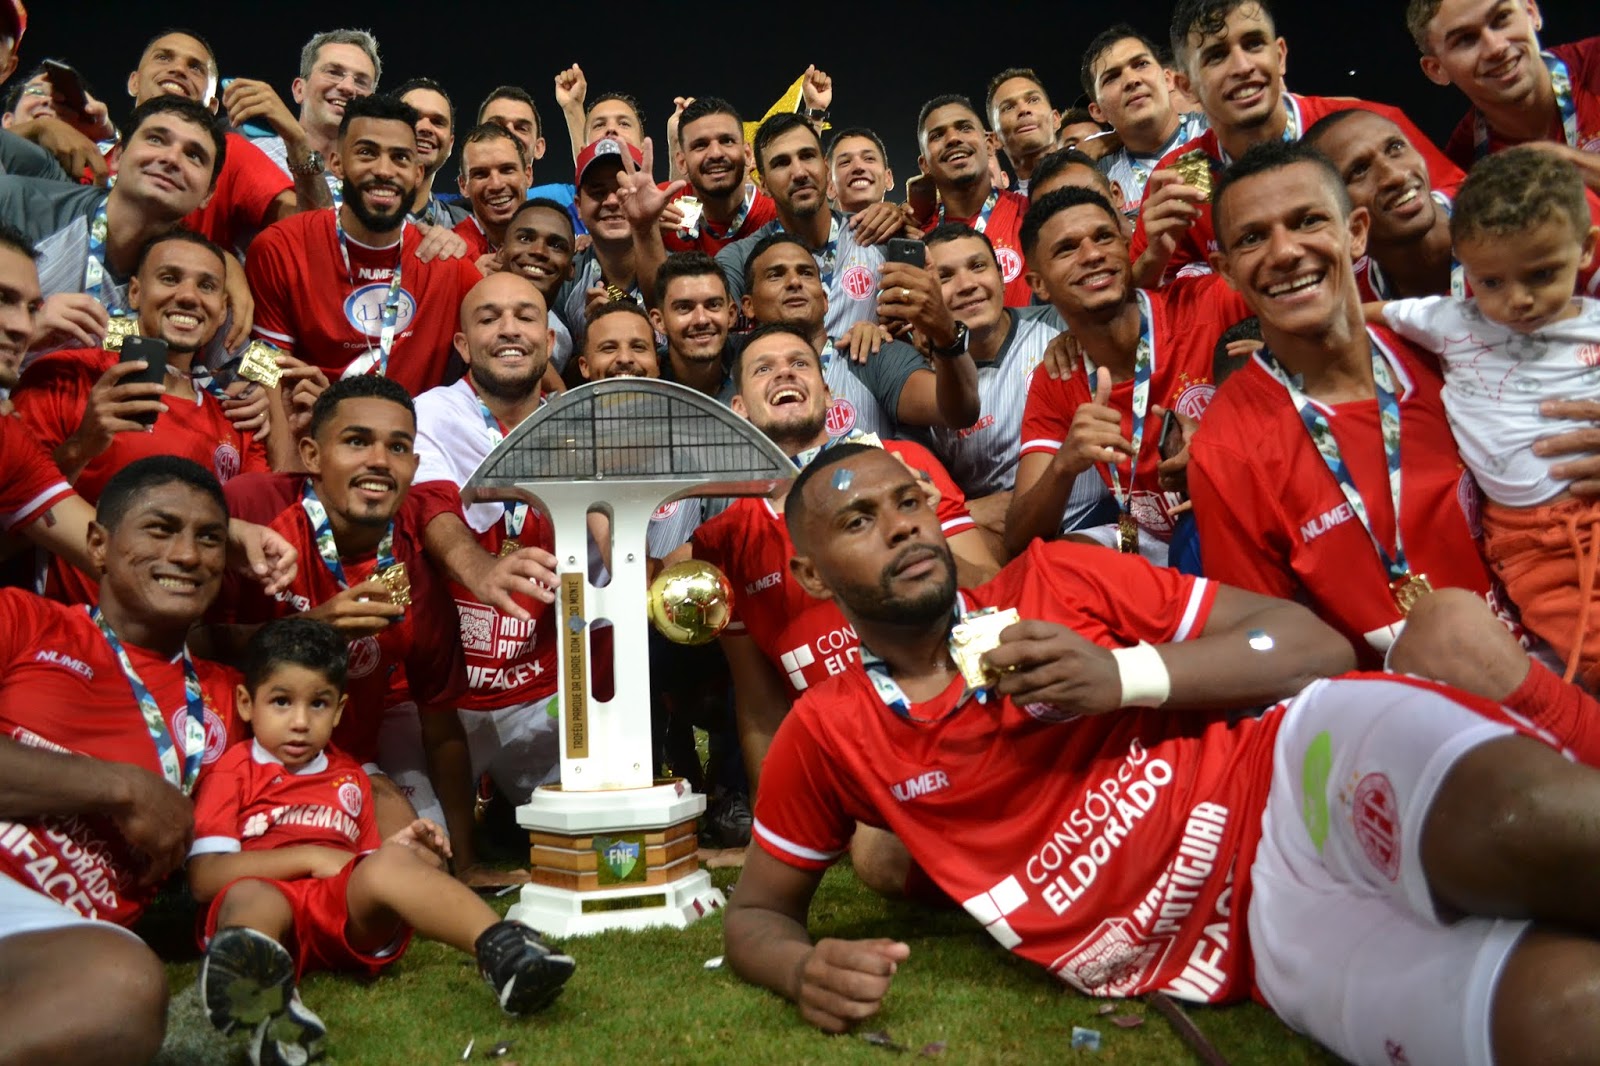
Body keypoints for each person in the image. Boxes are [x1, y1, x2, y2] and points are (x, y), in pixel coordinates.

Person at [723, 440, 1600, 1066]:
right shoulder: (831, 730)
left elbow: (1312, 645)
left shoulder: (1058, 579)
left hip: (1292, 776)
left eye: (910, 502)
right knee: (1566, 1014)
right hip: (1257, 937)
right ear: (811, 576)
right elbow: (756, 914)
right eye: (860, 520)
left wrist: (1123, 676)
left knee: (1536, 824)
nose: (902, 528)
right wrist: (801, 970)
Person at [1188, 140, 1524, 663]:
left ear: (1356, 232)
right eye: (1253, 237)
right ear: (1226, 269)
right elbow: (1272, 654)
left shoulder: (1450, 350)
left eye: (1308, 221)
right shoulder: (1225, 451)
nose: (1285, 252)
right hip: (1407, 707)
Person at [188, 618, 574, 1066]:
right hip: (267, 907)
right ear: (246, 703)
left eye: (318, 703)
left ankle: (506, 951)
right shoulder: (231, 771)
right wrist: (311, 856)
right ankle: (267, 1008)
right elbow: (205, 878)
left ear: (338, 710)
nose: (300, 722)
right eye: (281, 701)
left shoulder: (351, 776)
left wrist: (407, 850)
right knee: (250, 896)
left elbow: (366, 869)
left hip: (338, 913)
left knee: (391, 862)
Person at [0, 457, 248, 1065]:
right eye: (161, 529)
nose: (187, 555)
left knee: (124, 986)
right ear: (98, 545)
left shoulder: (233, 700)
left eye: (209, 538)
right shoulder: (24, 620)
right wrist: (121, 788)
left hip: (55, 937)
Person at [678, 324, 997, 785]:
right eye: (764, 369)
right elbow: (760, 705)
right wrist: (771, 815)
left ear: (828, 394)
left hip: (963, 738)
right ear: (739, 410)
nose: (785, 374)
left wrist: (923, 537)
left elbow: (992, 595)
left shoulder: (903, 465)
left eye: (799, 363)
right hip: (849, 774)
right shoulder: (724, 539)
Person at [212, 375, 473, 862]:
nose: (379, 460)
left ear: (414, 467)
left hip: (341, 764)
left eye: (398, 447)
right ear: (311, 455)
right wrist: (312, 630)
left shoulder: (415, 566)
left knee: (425, 862)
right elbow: (192, 643)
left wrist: (468, 863)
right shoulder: (252, 507)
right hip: (236, 757)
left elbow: (441, 727)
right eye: (356, 441)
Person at [1369, 148, 1600, 686]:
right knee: (1585, 656)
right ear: (1464, 264)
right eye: (1491, 282)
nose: (1518, 300)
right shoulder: (1450, 320)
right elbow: (1365, 312)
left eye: (1541, 274)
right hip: (1523, 540)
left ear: (1587, 249)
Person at [12, 230, 273, 603]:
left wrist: (282, 400)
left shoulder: (239, 416)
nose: (188, 296)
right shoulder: (66, 375)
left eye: (207, 286)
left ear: (222, 309)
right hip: (64, 626)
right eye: (169, 278)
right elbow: (10, 516)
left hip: (181, 631)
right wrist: (81, 447)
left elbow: (254, 546)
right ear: (134, 292)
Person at [1130, 0, 1459, 286]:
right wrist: (1154, 260)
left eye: (1254, 44)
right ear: (1186, 87)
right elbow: (1141, 301)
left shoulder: (1363, 125)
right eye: (1216, 56)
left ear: (1280, 56)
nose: (1243, 67)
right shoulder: (1182, 177)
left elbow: (1462, 198)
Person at [1009, 187, 1250, 565]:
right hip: (1144, 537)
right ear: (1038, 284)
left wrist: (1226, 451)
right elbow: (1019, 538)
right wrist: (1064, 465)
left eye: (1104, 237)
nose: (1092, 254)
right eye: (1067, 248)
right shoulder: (1058, 375)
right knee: (1057, 561)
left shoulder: (1209, 304)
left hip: (1245, 511)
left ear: (1126, 247)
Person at [409, 273, 559, 841]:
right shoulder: (432, 414)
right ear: (464, 345)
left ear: (549, 341)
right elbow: (431, 505)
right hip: (447, 698)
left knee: (596, 839)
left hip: (542, 689)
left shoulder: (574, 423)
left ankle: (505, 806)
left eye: (525, 316)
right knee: (421, 849)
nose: (509, 329)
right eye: (489, 318)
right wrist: (480, 568)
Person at [246, 93, 483, 396]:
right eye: (367, 153)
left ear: (417, 173)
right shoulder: (279, 247)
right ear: (337, 163)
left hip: (412, 427)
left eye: (400, 158)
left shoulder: (449, 265)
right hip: (309, 423)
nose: (384, 170)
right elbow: (265, 370)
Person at [0, 95, 227, 351]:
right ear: (118, 156)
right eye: (156, 139)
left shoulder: (196, 281)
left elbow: (236, 360)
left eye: (194, 155)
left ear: (208, 194)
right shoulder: (15, 205)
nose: (172, 159)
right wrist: (25, 330)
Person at [917, 222, 1076, 555]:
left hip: (1098, 527)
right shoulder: (920, 385)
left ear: (1002, 276)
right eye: (944, 277)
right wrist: (969, 511)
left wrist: (1080, 334)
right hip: (1009, 552)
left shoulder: (1060, 326)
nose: (967, 285)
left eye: (978, 266)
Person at [740, 232, 979, 440]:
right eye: (775, 275)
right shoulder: (734, 373)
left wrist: (944, 331)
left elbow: (959, 412)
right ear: (748, 306)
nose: (794, 282)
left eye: (806, 273)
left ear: (825, 300)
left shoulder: (870, 354)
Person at [712, 114, 893, 338]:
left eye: (807, 156)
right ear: (763, 183)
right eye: (781, 163)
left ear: (826, 168)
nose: (799, 173)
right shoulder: (739, 258)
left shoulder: (878, 233)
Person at [1407, 0, 1600, 187]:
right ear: (1436, 69)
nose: (1496, 48)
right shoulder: (1463, 170)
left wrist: (1566, 163)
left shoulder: (1594, 62)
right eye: (1466, 39)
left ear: (1531, 11)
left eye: (1501, 18)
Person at [913, 95, 1032, 308]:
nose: (953, 139)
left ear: (989, 145)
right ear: (925, 165)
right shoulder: (916, 237)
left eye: (965, 128)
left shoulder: (1031, 213)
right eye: (937, 135)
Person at [1080, 25, 1209, 221]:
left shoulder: (1220, 129)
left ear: (1168, 79)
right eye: (1112, 77)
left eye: (1141, 64)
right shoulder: (1098, 178)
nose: (1131, 80)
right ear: (1098, 111)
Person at [247, 28, 380, 201]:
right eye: (333, 72)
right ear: (299, 90)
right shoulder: (254, 154)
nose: (347, 87)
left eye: (361, 82)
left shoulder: (380, 178)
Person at [662, 97, 776, 255]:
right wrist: (644, 233)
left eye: (727, 141)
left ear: (747, 154)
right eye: (700, 145)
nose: (716, 153)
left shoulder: (778, 215)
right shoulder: (659, 206)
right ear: (682, 162)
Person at [498, 197, 577, 378]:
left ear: (571, 269)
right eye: (525, 238)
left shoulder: (562, 340)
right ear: (501, 253)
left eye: (556, 245)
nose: (539, 251)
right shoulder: (463, 308)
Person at [651, 251, 737, 403]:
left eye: (713, 305)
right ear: (659, 321)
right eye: (684, 307)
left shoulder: (756, 363)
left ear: (731, 315)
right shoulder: (646, 377)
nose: (701, 320)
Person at [452, 123, 531, 261]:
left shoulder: (558, 239)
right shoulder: (450, 253)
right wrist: (466, 273)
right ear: (463, 185)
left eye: (507, 170)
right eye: (480, 174)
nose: (496, 185)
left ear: (528, 176)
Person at [397, 77, 468, 228]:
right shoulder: (348, 210)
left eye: (437, 122)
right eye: (412, 117)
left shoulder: (465, 226)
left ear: (450, 144)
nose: (425, 128)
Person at [984, 69, 1062, 196]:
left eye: (1033, 100)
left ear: (1055, 119)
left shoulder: (1096, 179)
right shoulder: (1001, 207)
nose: (1023, 109)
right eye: (1008, 107)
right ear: (996, 139)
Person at [827, 128, 896, 216]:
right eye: (845, 162)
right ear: (830, 186)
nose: (858, 166)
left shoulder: (909, 221)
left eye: (869, 158)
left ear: (888, 178)